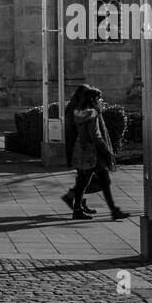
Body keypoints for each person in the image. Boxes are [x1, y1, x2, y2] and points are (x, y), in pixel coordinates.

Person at [71, 86, 128, 222]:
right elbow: (95, 135)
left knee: (94, 181)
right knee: (89, 182)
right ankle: (79, 209)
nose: (101, 101)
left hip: (84, 151)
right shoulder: (92, 114)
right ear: (92, 99)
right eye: (99, 98)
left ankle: (112, 210)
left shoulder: (81, 112)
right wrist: (106, 150)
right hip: (93, 153)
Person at [62, 85, 95, 216]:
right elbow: (76, 130)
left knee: (85, 177)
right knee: (86, 178)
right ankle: (77, 206)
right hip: (80, 148)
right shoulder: (75, 109)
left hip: (80, 147)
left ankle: (78, 201)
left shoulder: (77, 107)